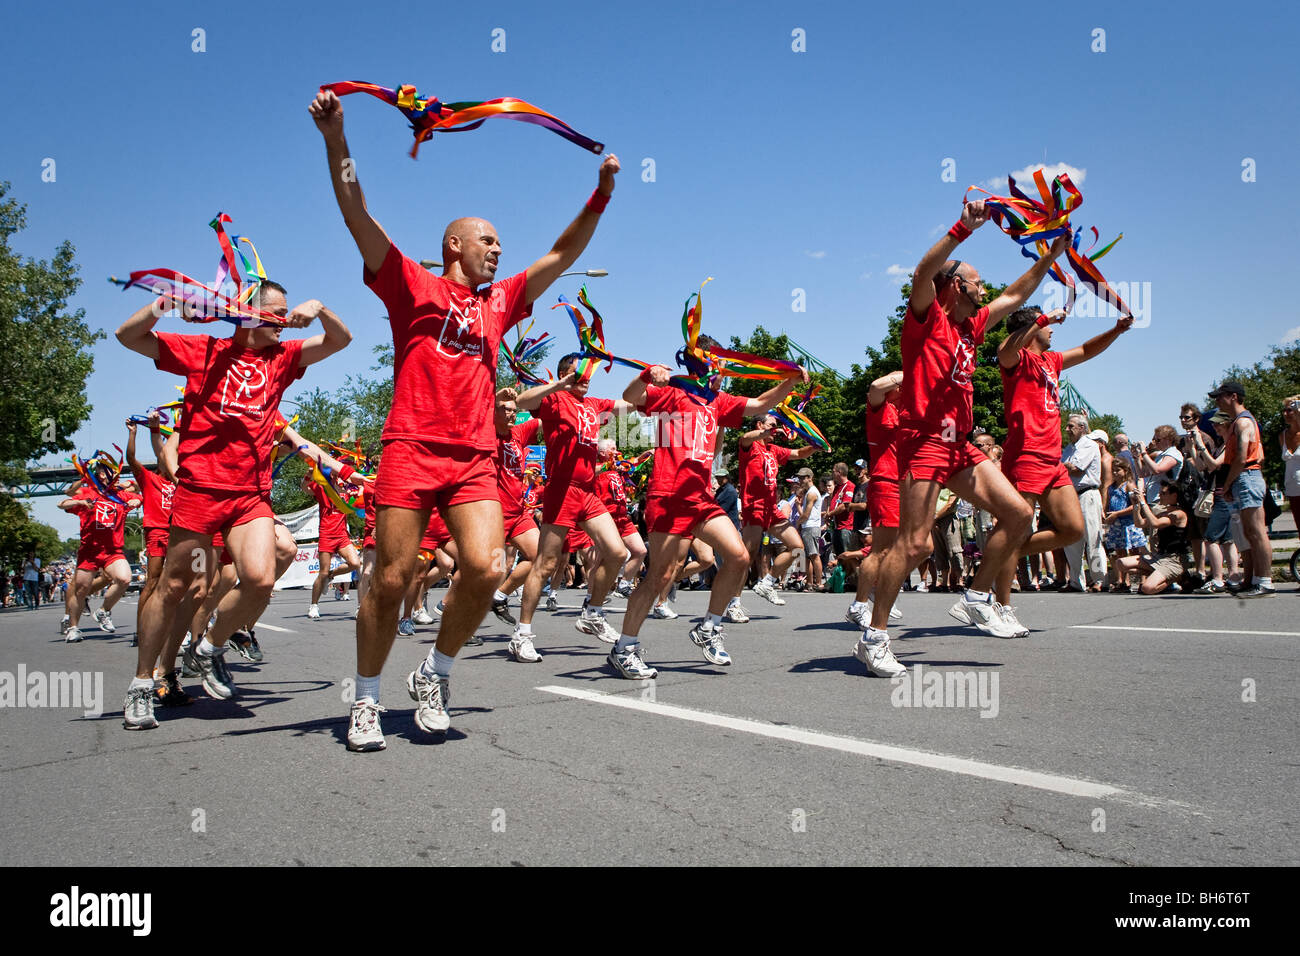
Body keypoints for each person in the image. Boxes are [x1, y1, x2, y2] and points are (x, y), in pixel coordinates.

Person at [310, 86, 620, 750]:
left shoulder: (501, 302)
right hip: (411, 446)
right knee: (391, 579)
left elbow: (559, 257)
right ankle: (366, 698)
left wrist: (599, 196)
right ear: (453, 243)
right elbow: (355, 211)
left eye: (501, 243)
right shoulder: (408, 285)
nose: (498, 250)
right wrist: (336, 140)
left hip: (473, 454)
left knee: (483, 566)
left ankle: (435, 673)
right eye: (487, 239)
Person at [115, 275, 350, 729]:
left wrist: (317, 305)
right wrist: (165, 302)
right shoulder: (204, 350)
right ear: (247, 313)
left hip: (249, 496)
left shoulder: (284, 358)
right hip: (201, 490)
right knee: (178, 586)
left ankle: (210, 647)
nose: (284, 323)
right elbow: (129, 336)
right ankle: (142, 683)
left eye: (286, 315)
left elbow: (341, 339)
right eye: (276, 315)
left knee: (261, 578)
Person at [855, 202, 1071, 677]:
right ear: (954, 287)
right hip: (925, 440)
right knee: (916, 547)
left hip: (959, 443)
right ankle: (875, 636)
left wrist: (1051, 256)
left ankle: (975, 596)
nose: (984, 289)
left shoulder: (971, 326)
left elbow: (1016, 295)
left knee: (1017, 513)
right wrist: (962, 229)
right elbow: (921, 272)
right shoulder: (926, 318)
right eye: (975, 282)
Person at [609, 344, 807, 678]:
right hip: (669, 495)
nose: (721, 373)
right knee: (660, 575)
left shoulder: (719, 402)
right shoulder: (672, 394)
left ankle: (709, 627)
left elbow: (760, 404)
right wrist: (646, 375)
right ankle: (624, 647)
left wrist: (790, 381)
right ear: (700, 368)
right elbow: (631, 397)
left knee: (740, 557)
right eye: (716, 366)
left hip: (700, 498)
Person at [514, 356, 637, 650]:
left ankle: (592, 613)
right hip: (561, 489)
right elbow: (521, 402)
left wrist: (647, 380)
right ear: (563, 375)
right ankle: (522, 634)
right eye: (577, 374)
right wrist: (558, 385)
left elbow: (630, 404)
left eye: (587, 374)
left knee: (618, 552)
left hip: (588, 490)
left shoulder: (594, 404)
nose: (585, 378)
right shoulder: (554, 400)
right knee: (545, 564)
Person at [736, 416, 815, 610]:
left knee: (797, 548)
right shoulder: (751, 446)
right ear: (760, 425)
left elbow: (798, 453)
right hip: (754, 506)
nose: (776, 429)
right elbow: (745, 437)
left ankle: (767, 583)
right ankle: (733, 603)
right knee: (747, 557)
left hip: (772, 509)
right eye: (772, 425)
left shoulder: (774, 450)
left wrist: (815, 444)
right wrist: (767, 433)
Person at [57, 463, 142, 643]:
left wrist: (136, 500)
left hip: (112, 550)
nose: (104, 475)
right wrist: (80, 502)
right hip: (89, 551)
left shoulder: (120, 495)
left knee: (125, 578)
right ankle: (73, 627)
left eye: (108, 472)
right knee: (81, 588)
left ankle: (103, 611)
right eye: (100, 472)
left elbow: (139, 494)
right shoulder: (88, 493)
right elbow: (62, 503)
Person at [847, 371, 906, 626]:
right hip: (886, 483)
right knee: (881, 550)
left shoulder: (907, 411)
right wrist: (911, 372)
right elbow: (876, 386)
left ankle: (875, 591)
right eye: (901, 386)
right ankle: (859, 605)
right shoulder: (879, 408)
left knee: (917, 547)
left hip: (904, 484)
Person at [1209, 380, 1274, 597]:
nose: (1217, 401)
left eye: (1220, 396)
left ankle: (1265, 581)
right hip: (1243, 478)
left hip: (1247, 476)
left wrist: (1227, 484)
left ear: (1234, 396)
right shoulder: (1239, 421)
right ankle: (1252, 579)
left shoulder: (1243, 422)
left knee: (1256, 531)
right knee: (1247, 533)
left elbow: (1242, 457)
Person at [1112, 480, 1192, 594]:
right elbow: (1139, 523)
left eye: (1163, 493)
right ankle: (1166, 576)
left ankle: (1176, 577)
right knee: (1121, 563)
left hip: (1173, 560)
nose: (1160, 495)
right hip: (1159, 556)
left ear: (1174, 495)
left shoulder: (1179, 514)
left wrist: (1143, 502)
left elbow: (1156, 524)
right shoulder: (1163, 512)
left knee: (1147, 589)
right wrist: (1136, 506)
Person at [1102, 455, 1146, 591]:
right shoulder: (1111, 488)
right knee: (1120, 552)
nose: (1115, 473)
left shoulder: (1129, 485)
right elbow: (1108, 503)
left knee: (1135, 551)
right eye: (1113, 470)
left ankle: (1142, 580)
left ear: (1125, 471)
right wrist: (1106, 513)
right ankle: (1123, 581)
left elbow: (1135, 505)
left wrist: (1118, 514)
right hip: (1116, 525)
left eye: (1118, 470)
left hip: (1129, 523)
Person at [794, 467, 824, 593]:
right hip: (808, 526)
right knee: (807, 557)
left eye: (802, 477)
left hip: (811, 527)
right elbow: (804, 515)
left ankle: (819, 583)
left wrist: (797, 524)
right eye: (799, 477)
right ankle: (809, 583)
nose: (800, 480)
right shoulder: (808, 493)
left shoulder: (812, 493)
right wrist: (798, 506)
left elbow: (806, 516)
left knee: (814, 555)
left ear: (809, 478)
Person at [1282, 395, 1300, 521]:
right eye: (1285, 410)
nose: (1285, 413)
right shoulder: (1282, 436)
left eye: (1290, 410)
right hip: (1292, 490)